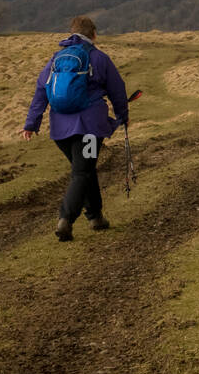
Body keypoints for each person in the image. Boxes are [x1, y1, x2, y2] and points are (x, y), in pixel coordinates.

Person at [21, 15, 129, 241]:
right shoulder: (99, 59)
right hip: (89, 129)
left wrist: (31, 124)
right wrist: (122, 116)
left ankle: (95, 217)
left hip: (60, 130)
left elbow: (41, 91)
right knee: (82, 172)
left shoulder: (56, 60)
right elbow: (117, 90)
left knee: (85, 170)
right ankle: (66, 220)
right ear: (94, 34)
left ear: (71, 33)